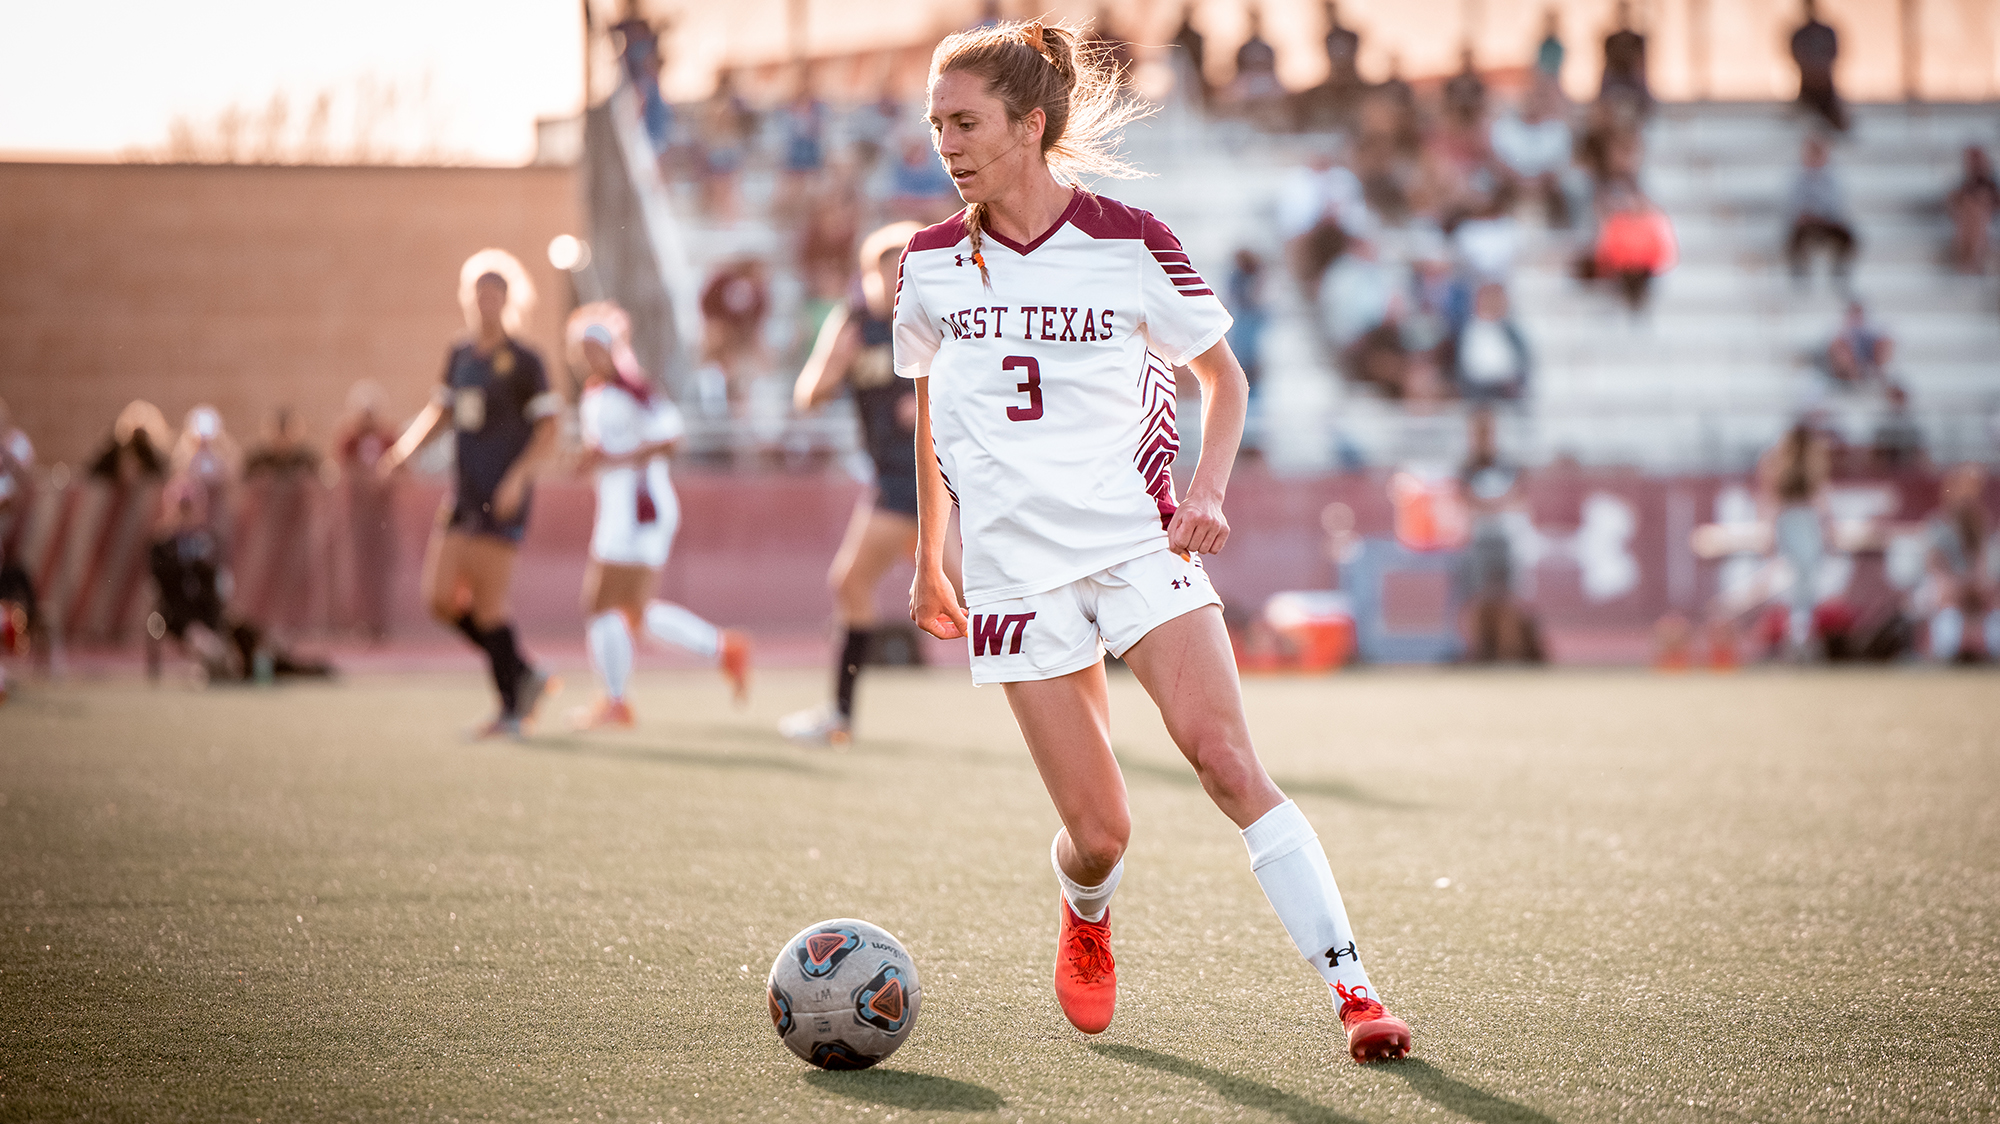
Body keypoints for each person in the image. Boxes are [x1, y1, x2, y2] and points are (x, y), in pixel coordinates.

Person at [899, 19, 1412, 1062]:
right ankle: (1085, 912)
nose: (944, 143)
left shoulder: (1127, 236)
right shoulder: (927, 264)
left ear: (1029, 124)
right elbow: (927, 407)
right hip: (1012, 573)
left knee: (1226, 762)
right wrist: (927, 553)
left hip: (1138, 546)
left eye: (965, 122)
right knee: (1100, 834)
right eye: (935, 124)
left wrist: (1207, 489)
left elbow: (1224, 379)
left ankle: (1354, 991)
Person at [379, 249, 561, 738]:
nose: (486, 301)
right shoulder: (460, 356)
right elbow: (440, 412)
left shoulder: (525, 361)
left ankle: (511, 707)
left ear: (509, 299)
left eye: (495, 292)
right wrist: (403, 451)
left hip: (502, 496)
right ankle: (523, 673)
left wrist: (518, 479)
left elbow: (549, 430)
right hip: (465, 493)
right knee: (439, 599)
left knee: (488, 605)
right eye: (479, 292)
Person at [780, 222, 948, 745]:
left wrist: (931, 398)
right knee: (974, 590)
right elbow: (807, 396)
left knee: (856, 584)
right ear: (866, 272)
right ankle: (842, 715)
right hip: (893, 479)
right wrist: (840, 363)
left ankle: (841, 715)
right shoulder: (855, 323)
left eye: (903, 262)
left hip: (931, 477)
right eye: (883, 263)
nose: (893, 273)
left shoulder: (937, 319)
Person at [567, 305, 751, 729]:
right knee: (632, 612)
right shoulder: (597, 394)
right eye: (583, 350)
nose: (589, 358)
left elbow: (671, 438)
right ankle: (722, 648)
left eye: (595, 348)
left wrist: (618, 457)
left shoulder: (636, 391)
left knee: (601, 606)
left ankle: (616, 701)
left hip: (637, 510)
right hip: (621, 507)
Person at [1458, 408, 1542, 660]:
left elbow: (1518, 498)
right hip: (1478, 539)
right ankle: (1479, 650)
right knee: (1478, 596)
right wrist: (1497, 504)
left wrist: (1490, 506)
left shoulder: (1506, 465)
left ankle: (1510, 651)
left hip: (1505, 538)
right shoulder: (1467, 467)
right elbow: (1465, 501)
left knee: (1509, 597)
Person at [332, 381, 401, 642]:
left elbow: (398, 467)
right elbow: (344, 469)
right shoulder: (350, 439)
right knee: (358, 570)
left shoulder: (387, 437)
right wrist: (366, 480)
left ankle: (379, 622)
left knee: (380, 571)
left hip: (382, 516)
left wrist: (383, 480)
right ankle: (360, 622)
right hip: (357, 516)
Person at [1758, 420, 1832, 657]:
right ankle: (1798, 630)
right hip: (1797, 520)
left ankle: (1800, 630)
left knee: (1804, 578)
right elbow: (1776, 500)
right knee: (1801, 577)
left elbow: (1817, 497)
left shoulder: (1796, 463)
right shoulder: (1785, 463)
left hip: (1798, 519)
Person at [1920, 463, 1996, 661]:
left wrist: (1979, 587)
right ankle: (1943, 655)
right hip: (1945, 587)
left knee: (1994, 608)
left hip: (1969, 588)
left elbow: (1982, 567)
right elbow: (1936, 567)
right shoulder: (1938, 525)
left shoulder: (1981, 525)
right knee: (1947, 609)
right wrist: (1957, 587)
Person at [1786, 135, 1857, 290]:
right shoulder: (1797, 178)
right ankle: (1799, 271)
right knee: (1794, 235)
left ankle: (1840, 269)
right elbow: (1793, 205)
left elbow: (1837, 205)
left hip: (1827, 222)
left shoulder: (1833, 179)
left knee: (1848, 236)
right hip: (1807, 224)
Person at [1452, 283, 1531, 402]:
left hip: (1506, 392)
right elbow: (1460, 367)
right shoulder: (1465, 331)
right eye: (1487, 298)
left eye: (1495, 299)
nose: (1491, 303)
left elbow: (1522, 363)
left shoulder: (1512, 332)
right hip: (1474, 393)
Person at [1789, 0, 1844, 132]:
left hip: (1826, 92)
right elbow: (1796, 56)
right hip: (1807, 91)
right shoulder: (1800, 34)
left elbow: (1834, 54)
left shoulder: (1826, 32)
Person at [1946, 145, 1998, 274]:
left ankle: (1972, 261)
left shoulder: (1989, 191)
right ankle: (1970, 261)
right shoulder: (1961, 195)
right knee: (1972, 207)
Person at [1599, 1, 1649, 115]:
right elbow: (1606, 63)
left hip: (1632, 80)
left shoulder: (1637, 39)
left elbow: (1641, 64)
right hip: (1614, 80)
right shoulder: (1610, 39)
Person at [1826, 299, 1890, 387]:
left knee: (1885, 342)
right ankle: (1854, 376)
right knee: (1838, 345)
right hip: (1849, 365)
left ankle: (1878, 374)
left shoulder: (1872, 329)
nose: (1856, 317)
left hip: (1868, 360)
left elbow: (1882, 343)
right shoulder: (1839, 331)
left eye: (1858, 313)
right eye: (1853, 314)